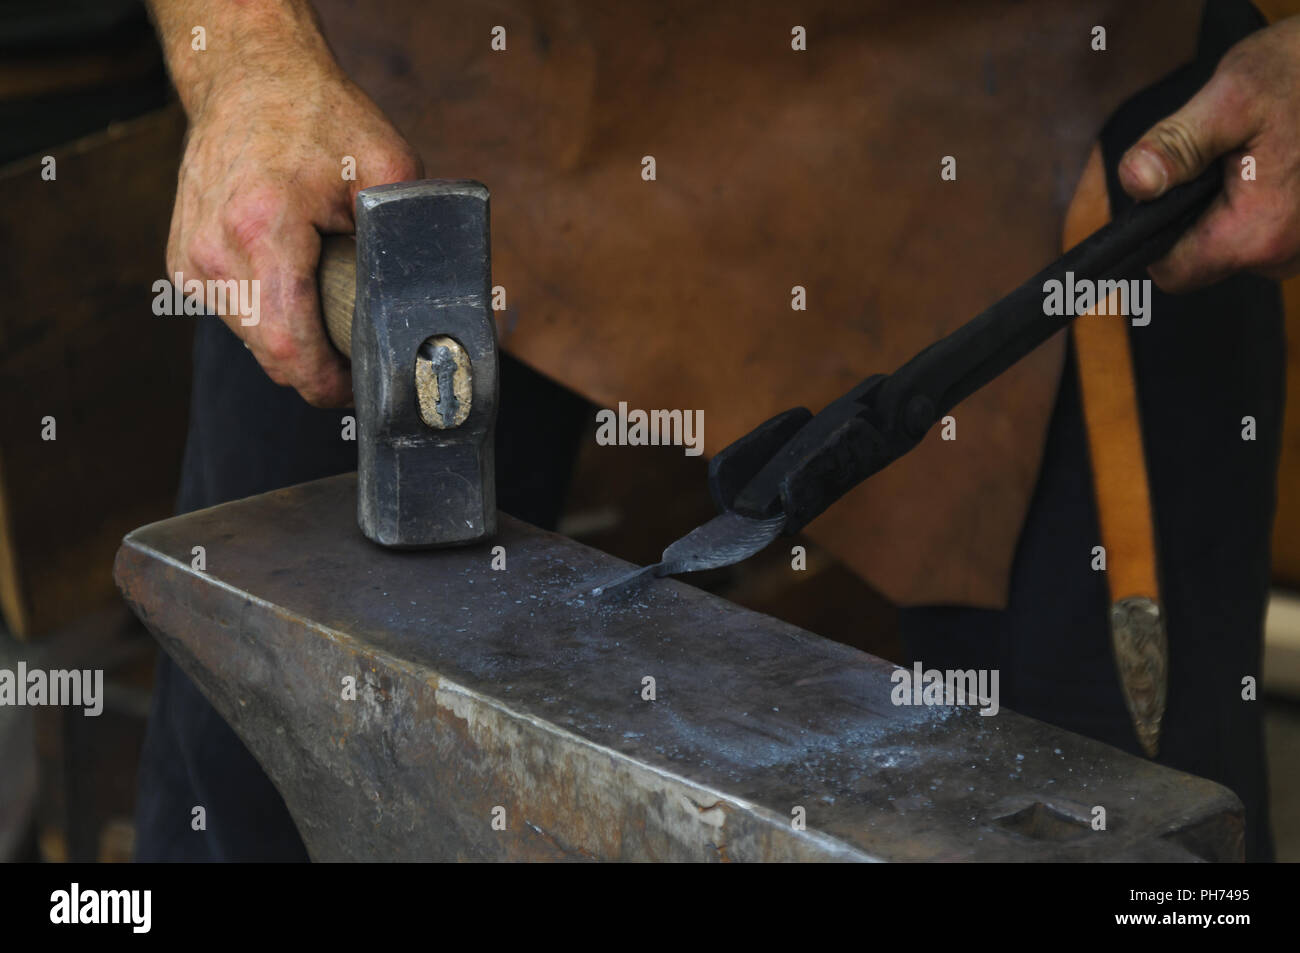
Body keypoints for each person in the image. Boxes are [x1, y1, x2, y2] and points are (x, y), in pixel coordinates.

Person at [136, 0, 1298, 860]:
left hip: (1024, 117)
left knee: (1125, 833)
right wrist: (241, 57)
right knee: (255, 748)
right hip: (417, 103)